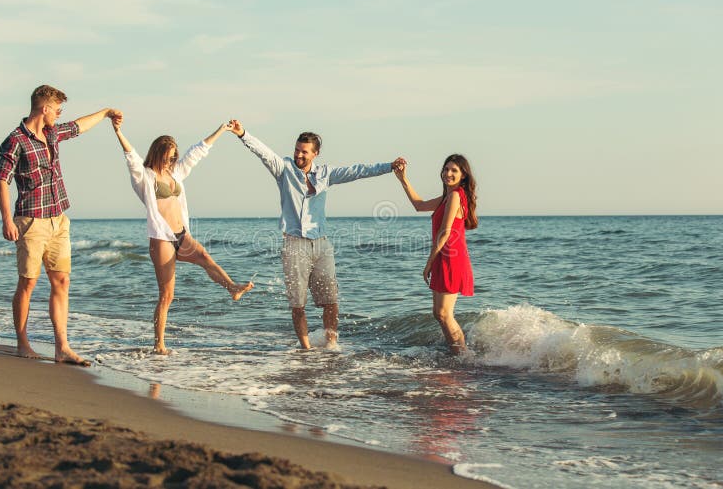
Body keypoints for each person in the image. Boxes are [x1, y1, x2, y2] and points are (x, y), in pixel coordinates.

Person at [229, 119, 405, 350]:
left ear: (315, 154)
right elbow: (264, 153)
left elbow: (357, 171)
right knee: (298, 304)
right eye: (296, 150)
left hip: (321, 245)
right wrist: (243, 134)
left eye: (304, 152)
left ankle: (331, 346)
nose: (298, 155)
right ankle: (306, 350)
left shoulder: (325, 174)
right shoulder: (284, 169)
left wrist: (389, 166)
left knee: (331, 301)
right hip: (294, 244)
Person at [0, 84, 122, 366]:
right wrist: (6, 219)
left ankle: (62, 347)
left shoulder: (52, 133)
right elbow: (2, 180)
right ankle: (22, 343)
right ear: (45, 108)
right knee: (28, 283)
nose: (60, 114)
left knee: (62, 281)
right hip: (30, 221)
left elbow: (78, 127)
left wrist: (104, 113)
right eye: (58, 109)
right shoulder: (15, 140)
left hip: (58, 219)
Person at [111, 117, 253, 355]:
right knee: (167, 295)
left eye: (173, 156)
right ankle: (159, 344)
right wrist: (118, 131)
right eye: (167, 156)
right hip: (162, 238)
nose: (171, 160)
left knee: (205, 256)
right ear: (157, 154)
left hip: (181, 234)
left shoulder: (176, 173)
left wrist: (221, 130)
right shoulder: (145, 177)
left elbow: (197, 153)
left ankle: (232, 287)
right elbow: (131, 157)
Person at [394, 154, 477, 354]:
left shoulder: (456, 195)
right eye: (446, 169)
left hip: (451, 258)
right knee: (439, 313)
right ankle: (457, 353)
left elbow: (445, 232)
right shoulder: (447, 197)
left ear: (463, 175)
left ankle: (463, 355)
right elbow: (419, 205)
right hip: (443, 256)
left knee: (444, 313)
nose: (448, 173)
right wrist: (403, 179)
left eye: (454, 170)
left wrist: (429, 262)